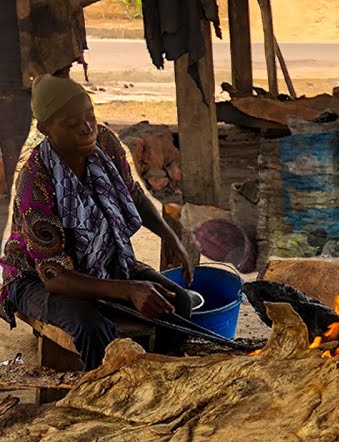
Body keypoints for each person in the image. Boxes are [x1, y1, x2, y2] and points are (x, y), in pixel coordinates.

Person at [0, 75, 194, 370]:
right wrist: (128, 289)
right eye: (71, 123)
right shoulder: (35, 179)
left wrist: (169, 236)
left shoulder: (105, 143)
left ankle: (159, 378)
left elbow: (134, 194)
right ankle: (103, 394)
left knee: (178, 303)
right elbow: (55, 276)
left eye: (90, 116)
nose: (86, 127)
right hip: (36, 277)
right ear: (45, 129)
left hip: (103, 261)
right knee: (92, 326)